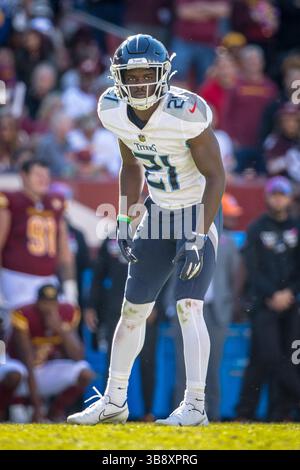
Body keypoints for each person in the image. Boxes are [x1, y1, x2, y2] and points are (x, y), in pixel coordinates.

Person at [67, 34, 225, 426]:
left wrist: (199, 234)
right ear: (118, 77)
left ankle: (195, 405)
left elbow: (216, 176)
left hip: (196, 209)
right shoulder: (113, 109)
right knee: (132, 310)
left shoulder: (185, 111)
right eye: (131, 76)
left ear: (163, 74)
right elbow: (131, 165)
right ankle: (115, 401)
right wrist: (124, 217)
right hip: (157, 212)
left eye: (146, 74)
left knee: (188, 308)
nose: (139, 83)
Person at [236, 177, 300, 421]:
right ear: (267, 197)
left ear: (289, 197)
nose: (278, 199)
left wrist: (290, 293)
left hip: (291, 305)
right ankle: (246, 412)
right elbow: (253, 269)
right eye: (274, 194)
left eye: (282, 194)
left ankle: (280, 412)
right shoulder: (256, 228)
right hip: (263, 304)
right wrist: (273, 294)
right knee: (267, 358)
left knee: (291, 358)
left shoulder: (297, 226)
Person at [0, 159, 77, 331]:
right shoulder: (11, 200)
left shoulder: (55, 202)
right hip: (16, 278)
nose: (43, 179)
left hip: (48, 279)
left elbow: (64, 249)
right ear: (24, 176)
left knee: (54, 328)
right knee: (17, 330)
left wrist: (71, 286)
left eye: (46, 175)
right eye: (37, 174)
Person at [8, 284, 94, 422]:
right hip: (22, 373)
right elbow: (28, 361)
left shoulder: (66, 313)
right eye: (44, 303)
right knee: (13, 374)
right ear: (37, 302)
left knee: (84, 372)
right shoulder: (25, 314)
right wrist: (37, 408)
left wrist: (60, 329)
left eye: (52, 303)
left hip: (46, 370)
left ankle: (55, 412)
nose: (48, 307)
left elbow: (78, 356)